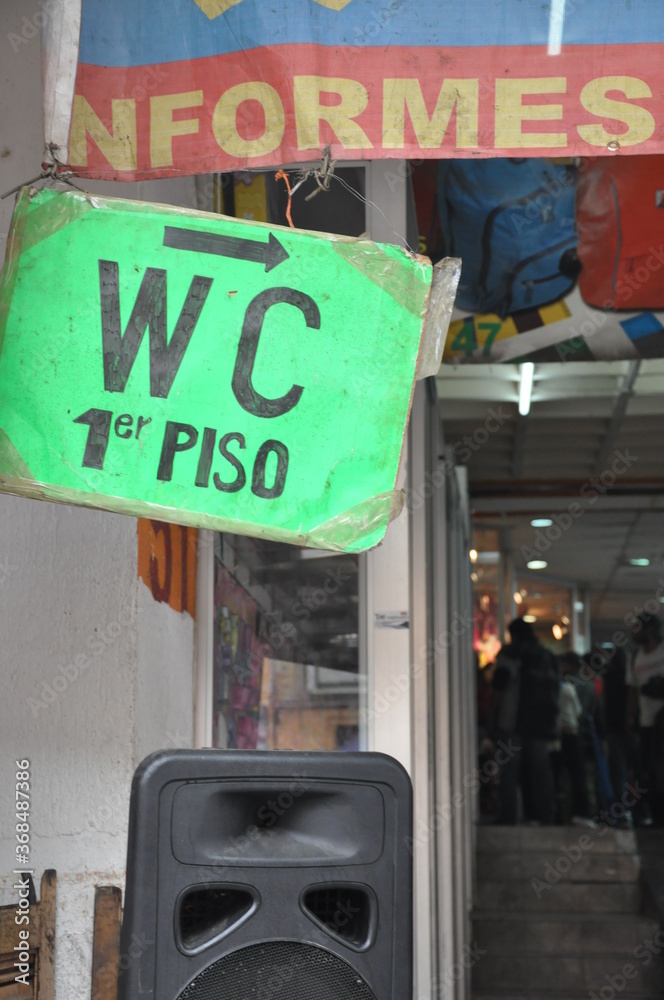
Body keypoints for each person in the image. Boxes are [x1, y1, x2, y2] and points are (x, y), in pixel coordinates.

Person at [491, 618, 560, 825]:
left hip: (514, 721)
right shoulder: (546, 656)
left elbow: (499, 685)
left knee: (509, 771)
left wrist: (493, 717)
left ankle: (509, 815)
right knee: (541, 770)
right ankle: (547, 815)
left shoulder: (510, 654)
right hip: (540, 724)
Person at [627, 613, 664, 825]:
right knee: (648, 770)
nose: (634, 633)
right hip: (647, 723)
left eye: (638, 628)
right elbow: (632, 689)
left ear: (649, 630)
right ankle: (652, 814)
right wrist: (630, 717)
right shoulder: (635, 657)